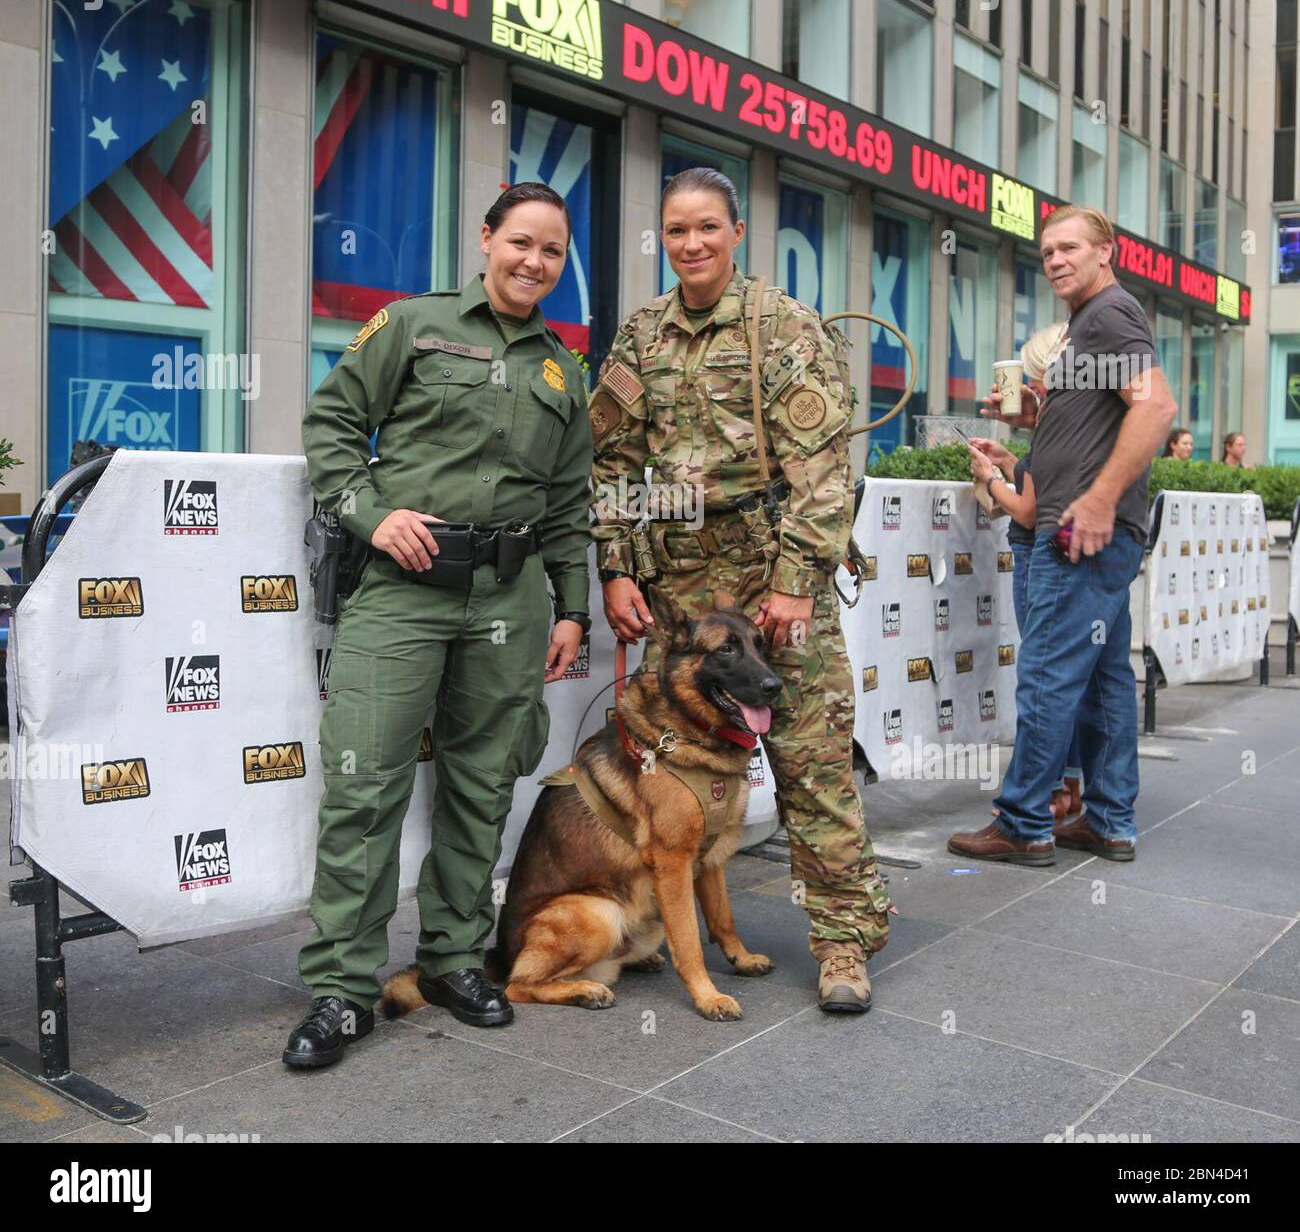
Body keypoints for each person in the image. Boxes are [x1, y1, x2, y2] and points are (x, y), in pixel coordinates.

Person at [283, 183, 593, 1068]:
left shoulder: (563, 370)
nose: (534, 262)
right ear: (487, 238)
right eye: (520, 242)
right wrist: (370, 514)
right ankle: (342, 989)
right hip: (404, 589)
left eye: (553, 252)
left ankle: (455, 957)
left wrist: (571, 605)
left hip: (510, 600)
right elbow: (332, 423)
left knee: (484, 783)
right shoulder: (412, 325)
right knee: (365, 785)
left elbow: (569, 503)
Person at [587, 166, 892, 1014]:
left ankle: (841, 942)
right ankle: (657, 925)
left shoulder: (781, 326)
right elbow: (612, 463)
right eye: (677, 230)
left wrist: (796, 587)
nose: (691, 244)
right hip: (680, 586)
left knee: (810, 760)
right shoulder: (642, 335)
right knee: (673, 768)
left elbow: (825, 470)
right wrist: (617, 564)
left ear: (736, 232)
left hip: (769, 576)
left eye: (708, 228)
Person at [948, 205, 1176, 866]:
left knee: (1047, 678)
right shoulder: (1088, 327)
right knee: (1106, 682)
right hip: (1090, 533)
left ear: (1108, 251)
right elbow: (1082, 438)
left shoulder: (1108, 314)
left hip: (1079, 535)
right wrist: (1024, 425)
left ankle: (1023, 822)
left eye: (1070, 247)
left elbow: (1156, 405)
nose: (1055, 260)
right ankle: (1108, 821)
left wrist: (1101, 499)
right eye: (1047, 251)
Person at [968, 323, 1082, 824]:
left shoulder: (1062, 414)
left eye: (1034, 374)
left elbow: (1029, 511)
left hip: (1043, 554)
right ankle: (1069, 788)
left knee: (1042, 680)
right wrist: (1013, 461)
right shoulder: (1080, 418)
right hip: (1072, 553)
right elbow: (1042, 479)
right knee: (1071, 678)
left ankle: (1042, 798)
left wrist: (990, 479)